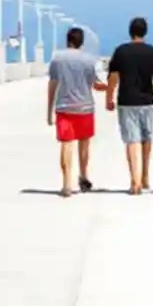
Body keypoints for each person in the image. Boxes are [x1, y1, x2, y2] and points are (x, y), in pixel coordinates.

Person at [104, 16, 153, 195]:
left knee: (131, 140)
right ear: (145, 32)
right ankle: (145, 175)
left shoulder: (120, 52)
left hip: (126, 101)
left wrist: (109, 97)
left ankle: (135, 181)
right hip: (147, 101)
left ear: (130, 32)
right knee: (146, 138)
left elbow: (113, 77)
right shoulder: (152, 52)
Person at [47, 26, 108, 197]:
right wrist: (112, 87)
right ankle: (84, 176)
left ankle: (67, 184)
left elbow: (52, 84)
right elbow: (95, 85)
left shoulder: (58, 58)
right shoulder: (88, 61)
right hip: (85, 107)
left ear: (68, 40)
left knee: (67, 144)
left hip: (64, 108)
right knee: (84, 144)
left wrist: (49, 110)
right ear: (81, 42)